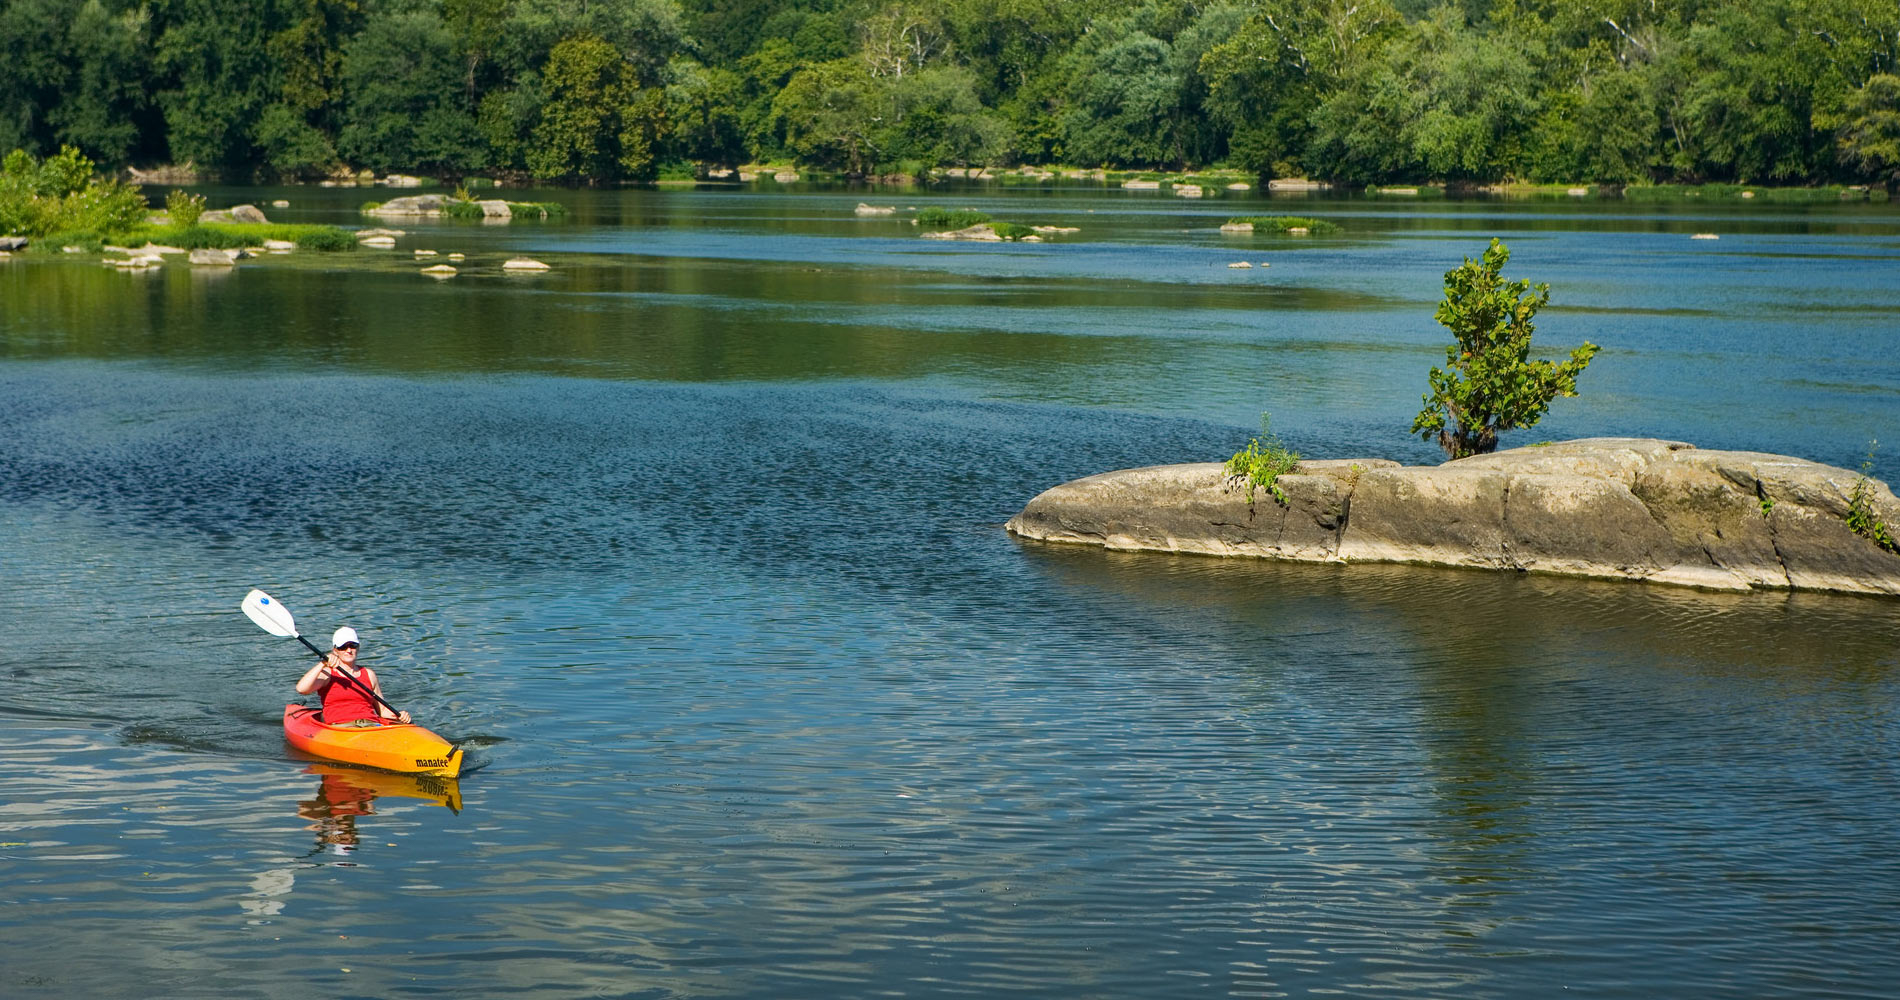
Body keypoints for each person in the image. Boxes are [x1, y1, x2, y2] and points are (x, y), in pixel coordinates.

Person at [296, 626, 411, 726]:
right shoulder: (327, 673)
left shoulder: (369, 674)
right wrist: (322, 664)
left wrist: (399, 715)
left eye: (353, 645)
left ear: (358, 648)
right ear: (335, 650)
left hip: (370, 725)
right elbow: (302, 689)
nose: (349, 650)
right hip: (340, 727)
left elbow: (382, 711)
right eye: (343, 647)